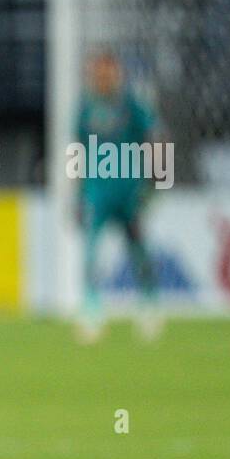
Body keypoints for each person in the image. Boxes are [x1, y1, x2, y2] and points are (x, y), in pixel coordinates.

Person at [75, 50, 161, 342]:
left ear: (118, 74)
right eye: (98, 73)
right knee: (90, 251)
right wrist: (77, 194)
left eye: (108, 73)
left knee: (138, 250)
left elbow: (153, 137)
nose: (103, 78)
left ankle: (149, 305)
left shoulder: (132, 105)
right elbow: (79, 152)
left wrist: (153, 182)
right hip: (97, 192)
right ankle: (91, 309)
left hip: (128, 191)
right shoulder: (85, 108)